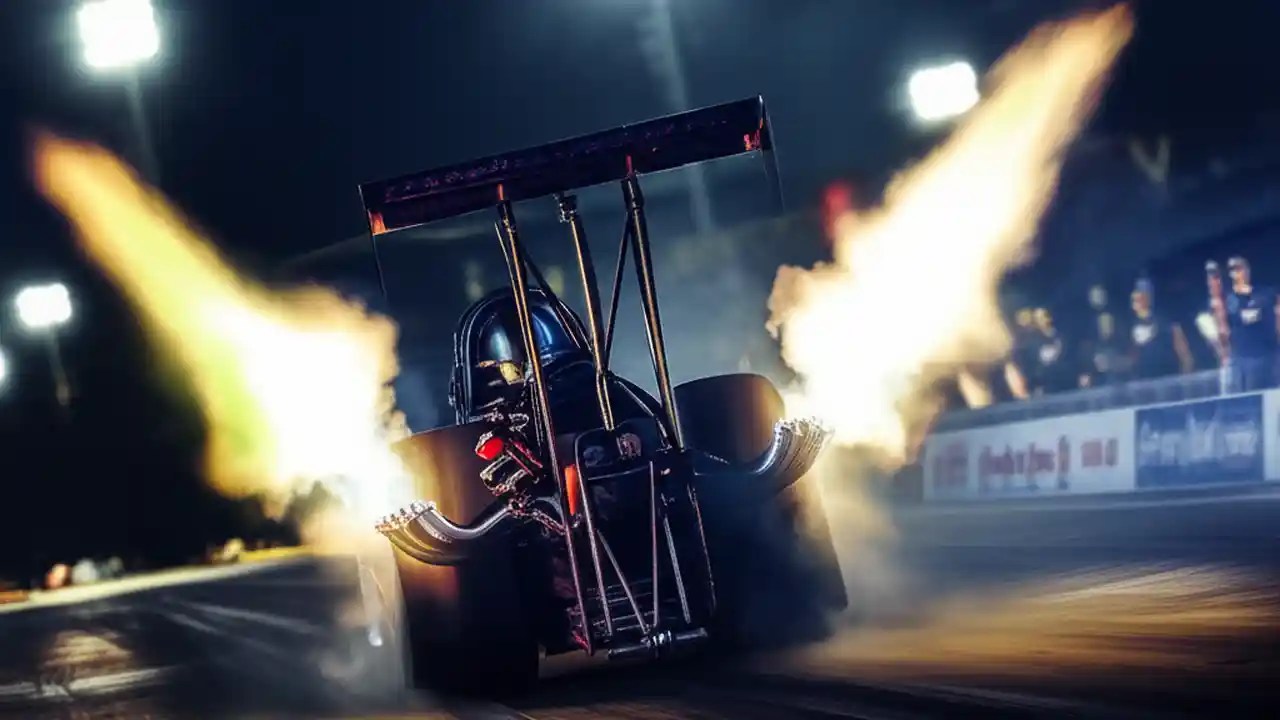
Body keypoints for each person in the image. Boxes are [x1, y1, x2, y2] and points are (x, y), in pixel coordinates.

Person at [1223, 256, 1280, 391]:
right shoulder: (1230, 299)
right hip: (1244, 358)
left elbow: (1269, 312)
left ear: (1247, 270)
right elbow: (1241, 317)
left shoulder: (1264, 293)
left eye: (1240, 268)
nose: (1237, 273)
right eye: (1233, 270)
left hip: (1269, 355)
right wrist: (1258, 313)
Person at [1128, 278, 1193, 380]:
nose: (1138, 301)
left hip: (1169, 380)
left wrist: (1185, 380)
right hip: (1145, 384)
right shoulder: (1131, 329)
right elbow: (1132, 360)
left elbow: (1185, 356)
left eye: (1143, 296)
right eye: (1136, 299)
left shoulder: (1166, 324)